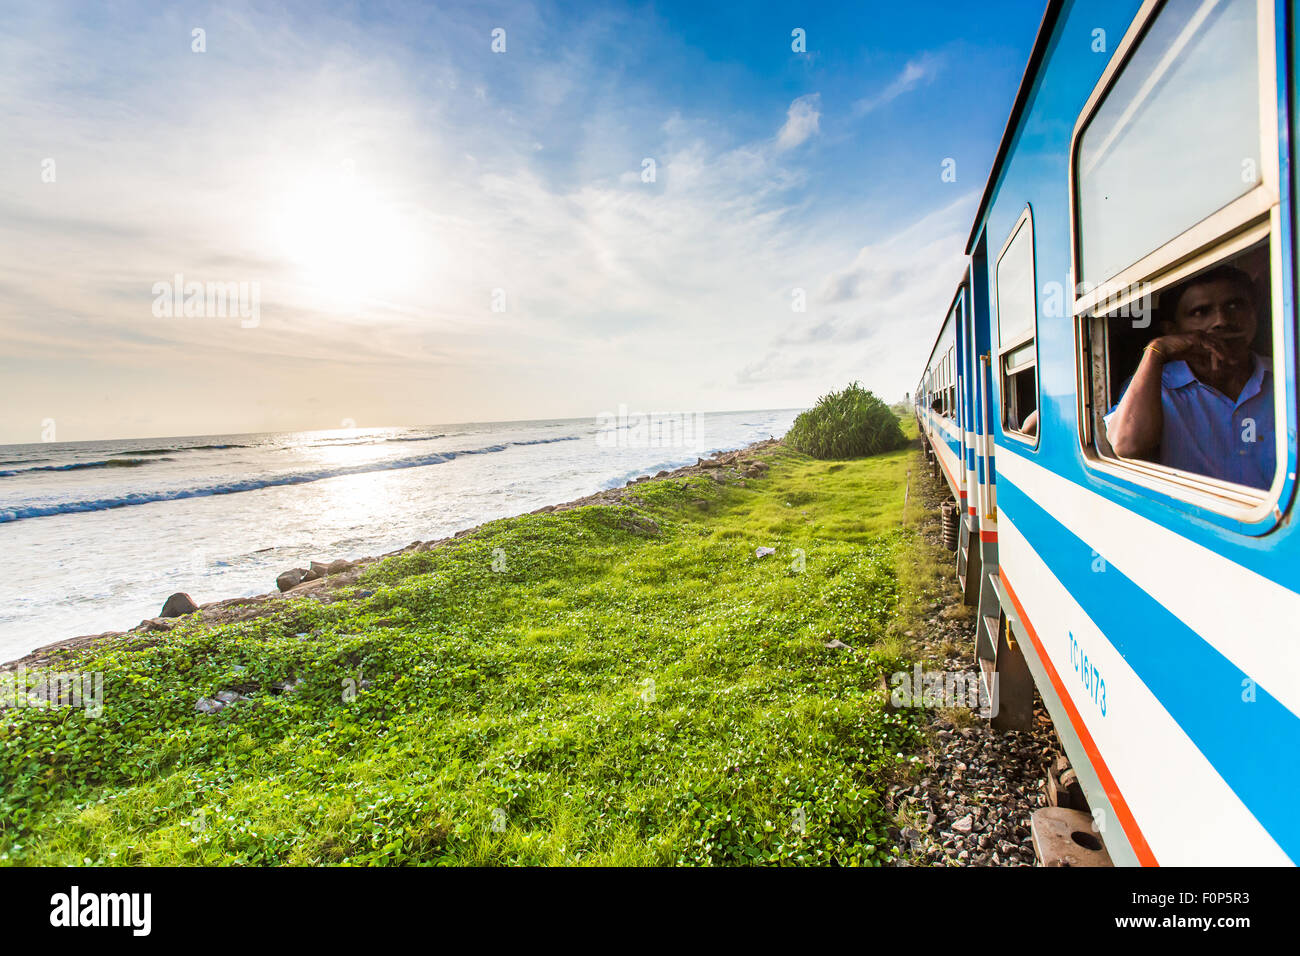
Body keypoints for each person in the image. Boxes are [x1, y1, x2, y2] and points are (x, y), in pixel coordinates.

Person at [1103, 265, 1273, 489]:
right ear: (1172, 329)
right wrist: (1156, 350)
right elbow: (1127, 446)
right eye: (1201, 312)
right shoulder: (1156, 385)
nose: (1222, 320)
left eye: (1235, 305)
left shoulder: (1285, 377)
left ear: (1254, 313)